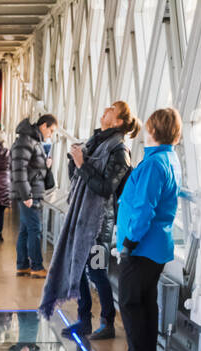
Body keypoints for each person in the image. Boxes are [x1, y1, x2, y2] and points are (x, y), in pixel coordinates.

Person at [40, 101, 139, 338]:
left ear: (119, 122)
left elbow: (106, 188)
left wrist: (82, 164)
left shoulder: (119, 151)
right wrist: (75, 162)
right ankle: (84, 320)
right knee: (80, 268)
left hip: (99, 224)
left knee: (96, 271)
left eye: (111, 110)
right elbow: (80, 180)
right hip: (82, 219)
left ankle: (107, 323)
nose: (104, 110)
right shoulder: (97, 143)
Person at [108, 106, 183, 351]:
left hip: (142, 247)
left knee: (129, 302)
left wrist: (128, 242)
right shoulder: (169, 159)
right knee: (146, 303)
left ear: (153, 130)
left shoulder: (153, 164)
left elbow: (144, 209)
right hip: (157, 246)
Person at [11, 113, 59, 279]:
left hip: (31, 192)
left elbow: (30, 168)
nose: (50, 135)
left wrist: (45, 165)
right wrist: (26, 195)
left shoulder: (33, 141)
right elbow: (19, 170)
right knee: (34, 229)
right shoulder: (26, 141)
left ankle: (22, 265)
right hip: (29, 193)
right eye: (51, 130)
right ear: (44, 125)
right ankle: (36, 267)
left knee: (26, 229)